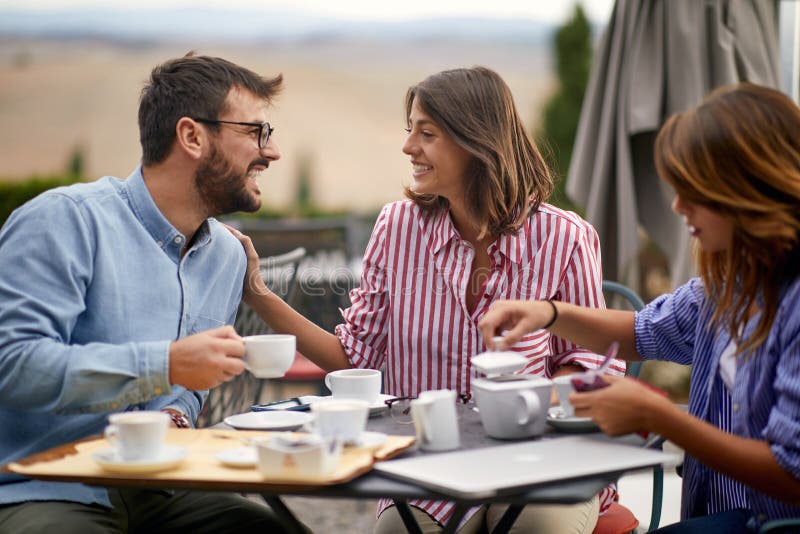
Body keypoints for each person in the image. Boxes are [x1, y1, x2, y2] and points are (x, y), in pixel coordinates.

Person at [230, 66, 621, 533]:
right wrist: (257, 293)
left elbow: (588, 360)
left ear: (477, 142)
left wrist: (535, 405)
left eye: (427, 133)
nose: (408, 146)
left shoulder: (565, 237)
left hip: (538, 463)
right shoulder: (397, 227)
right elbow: (353, 357)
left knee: (532, 526)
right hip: (425, 468)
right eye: (410, 129)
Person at [478, 82, 800, 532]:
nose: (677, 205)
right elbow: (640, 333)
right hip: (729, 517)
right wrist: (550, 313)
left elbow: (792, 475)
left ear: (748, 190)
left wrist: (658, 416)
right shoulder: (732, 284)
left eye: (695, 191)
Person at [0, 54, 293, 532]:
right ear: (192, 136)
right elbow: (12, 363)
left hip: (159, 487)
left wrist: (177, 410)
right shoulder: (64, 221)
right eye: (256, 132)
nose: (273, 151)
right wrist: (164, 364)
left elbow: (188, 384)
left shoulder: (226, 255)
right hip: (42, 487)